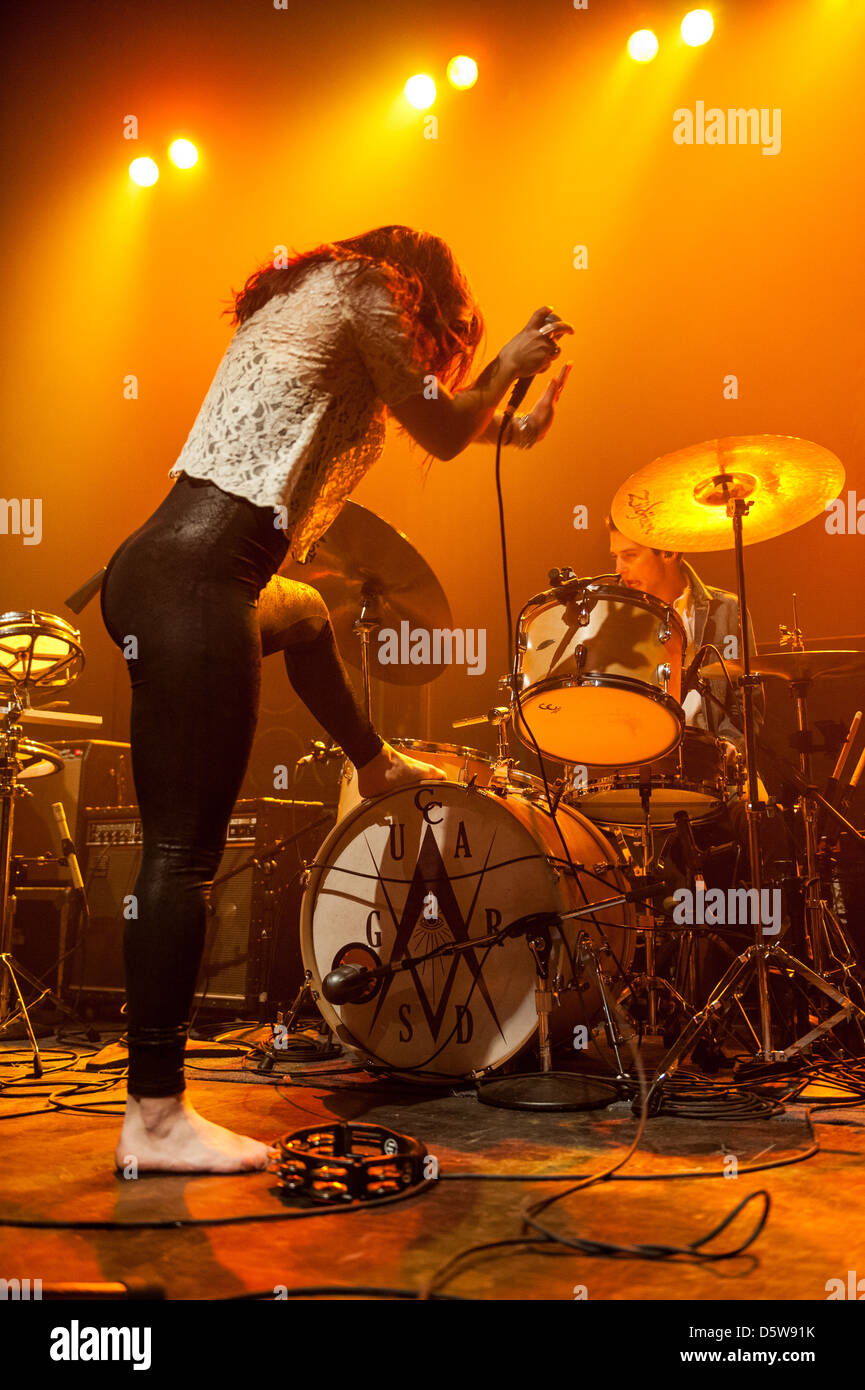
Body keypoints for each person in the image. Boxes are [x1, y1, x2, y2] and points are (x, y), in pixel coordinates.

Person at [99, 224, 572, 1173]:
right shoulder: (364, 289)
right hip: (198, 581)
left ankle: (373, 759)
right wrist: (509, 363)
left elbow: (438, 413)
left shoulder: (313, 297)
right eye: (451, 337)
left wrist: (513, 421)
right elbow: (438, 422)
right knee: (181, 856)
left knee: (309, 611)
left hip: (168, 571)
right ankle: (153, 1115)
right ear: (428, 299)